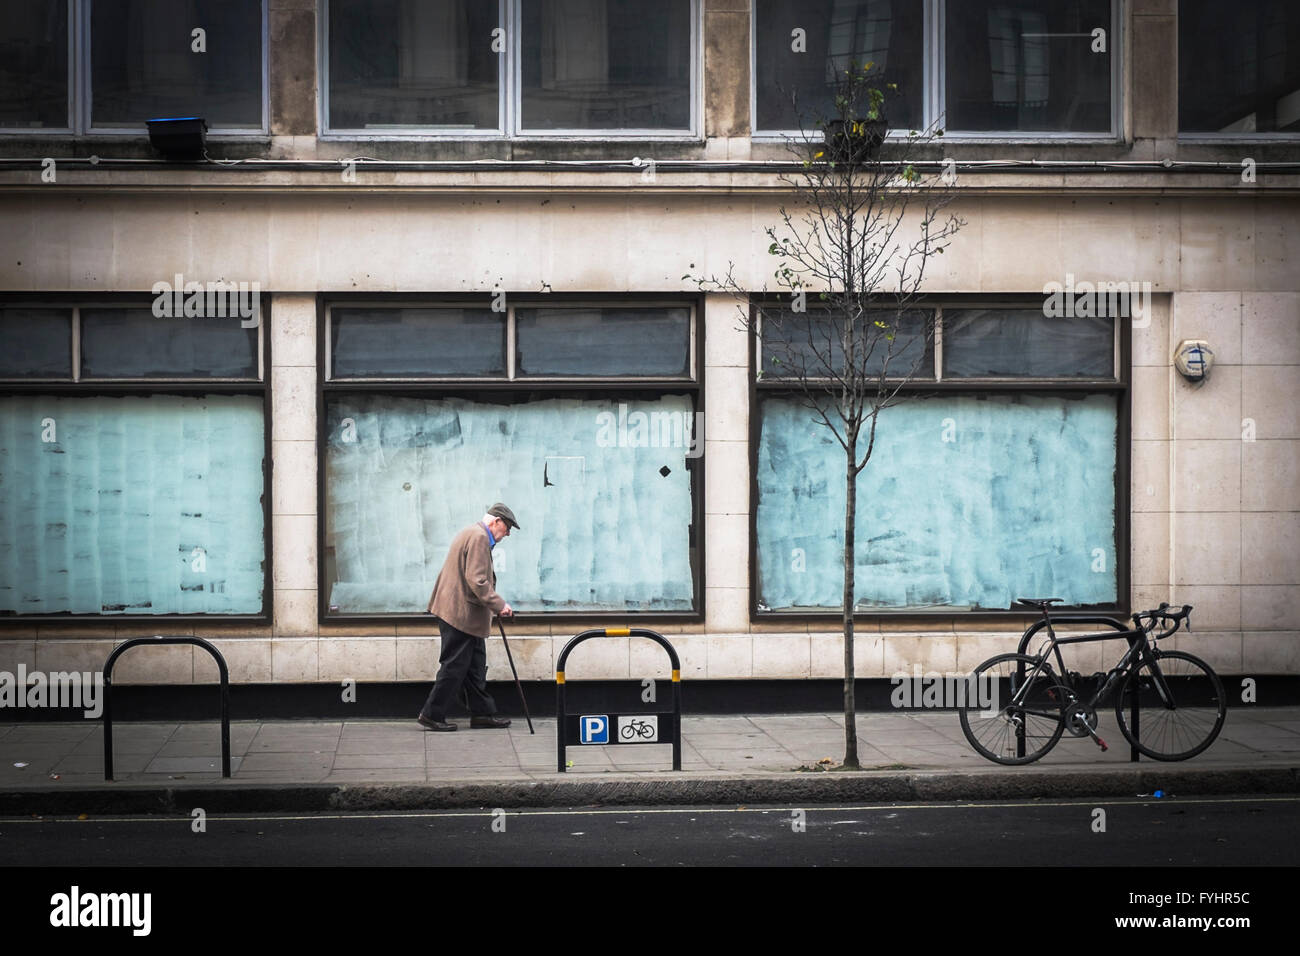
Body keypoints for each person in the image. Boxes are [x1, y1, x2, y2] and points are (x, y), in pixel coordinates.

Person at [417, 503, 520, 732]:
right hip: (459, 615)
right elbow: (478, 580)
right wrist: (499, 605)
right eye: (508, 527)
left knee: (474, 666)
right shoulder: (479, 537)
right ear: (496, 521)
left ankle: (482, 714)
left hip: (463, 614)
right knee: (454, 666)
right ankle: (431, 714)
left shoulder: (472, 532)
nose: (509, 533)